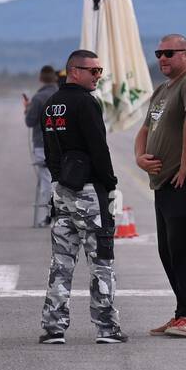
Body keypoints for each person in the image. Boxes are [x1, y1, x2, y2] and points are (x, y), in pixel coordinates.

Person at [39, 49, 125, 345]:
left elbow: (49, 153)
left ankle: (54, 328)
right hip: (88, 192)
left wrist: (58, 181)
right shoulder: (87, 104)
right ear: (74, 71)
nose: (97, 76)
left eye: (100, 71)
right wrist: (110, 184)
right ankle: (106, 328)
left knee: (61, 262)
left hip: (61, 191)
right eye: (93, 71)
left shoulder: (51, 105)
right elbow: (98, 148)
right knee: (101, 260)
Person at [134, 34, 186, 338]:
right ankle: (182, 312)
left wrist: (185, 164)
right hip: (165, 181)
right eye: (158, 53)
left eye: (169, 53)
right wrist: (140, 158)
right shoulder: (162, 90)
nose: (163, 59)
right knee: (169, 250)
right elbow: (146, 128)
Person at [22, 65, 58, 228]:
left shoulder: (38, 98)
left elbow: (30, 121)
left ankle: (51, 216)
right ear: (55, 78)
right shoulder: (61, 95)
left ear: (40, 79)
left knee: (46, 182)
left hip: (42, 145)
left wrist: (29, 109)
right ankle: (62, 215)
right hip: (63, 145)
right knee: (60, 180)